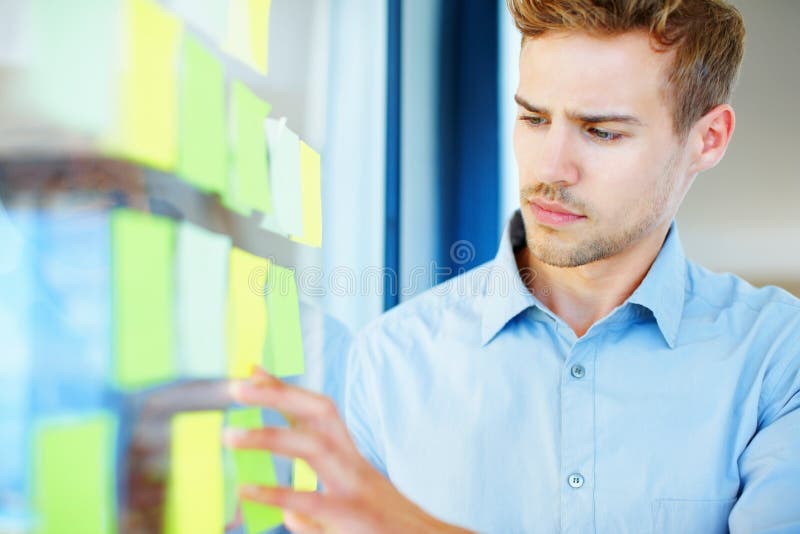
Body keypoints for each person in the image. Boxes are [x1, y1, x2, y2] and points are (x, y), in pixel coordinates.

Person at [225, 0, 800, 532]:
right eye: (533, 119)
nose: (552, 168)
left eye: (601, 132)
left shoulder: (777, 358)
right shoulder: (388, 364)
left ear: (708, 138)